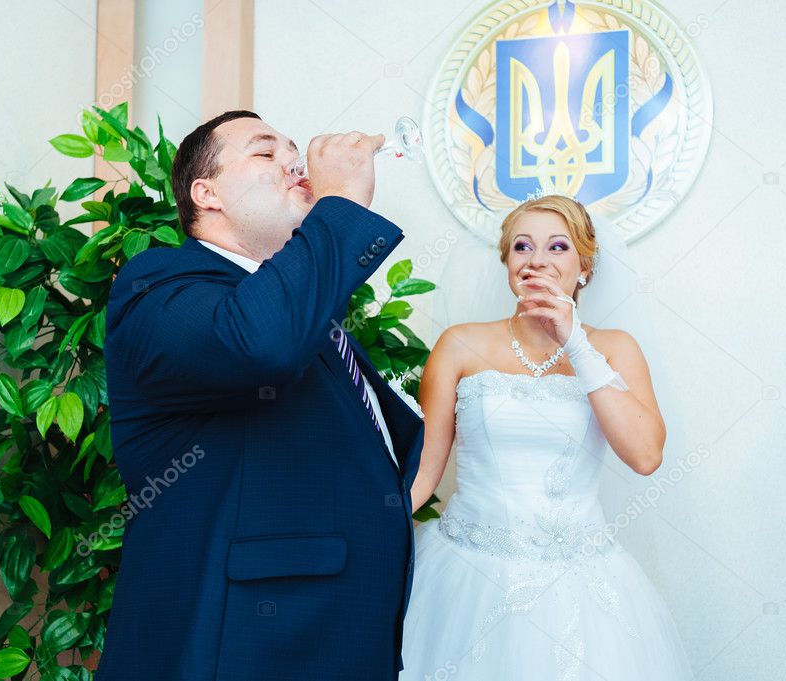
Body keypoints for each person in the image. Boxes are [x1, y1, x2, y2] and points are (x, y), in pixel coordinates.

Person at [95, 110, 424, 680]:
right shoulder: (156, 284)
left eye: (294, 150)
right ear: (207, 193)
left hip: (333, 638)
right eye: (265, 152)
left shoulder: (301, 311)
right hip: (245, 646)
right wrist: (341, 204)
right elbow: (257, 345)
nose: (295, 164)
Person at [400, 195, 692, 679]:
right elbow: (422, 477)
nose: (537, 260)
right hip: (467, 575)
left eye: (557, 247)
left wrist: (575, 342)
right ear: (507, 262)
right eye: (521, 247)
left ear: (584, 265)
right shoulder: (460, 343)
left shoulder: (615, 349)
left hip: (579, 580)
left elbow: (645, 456)